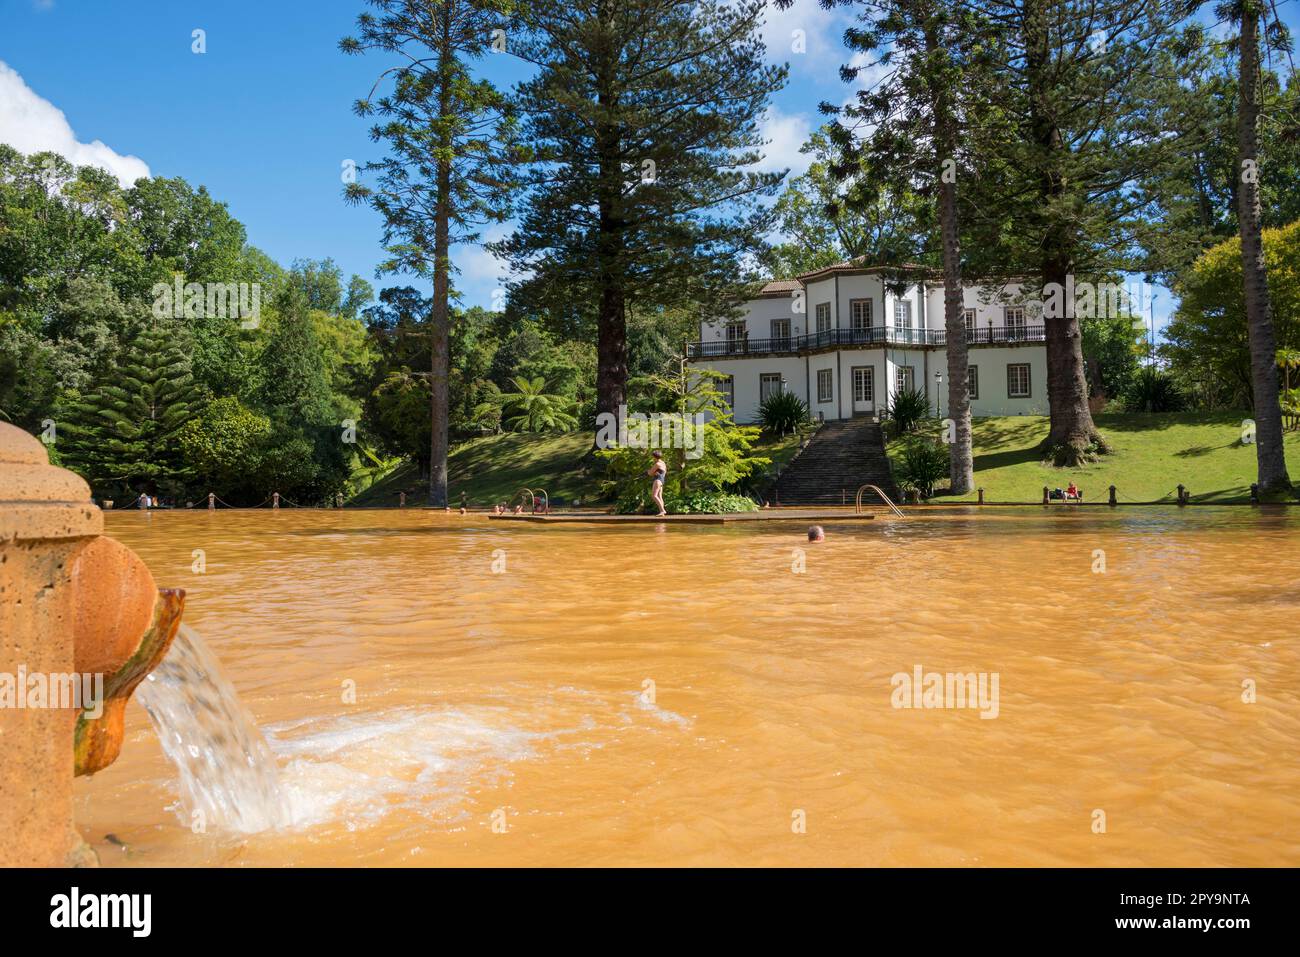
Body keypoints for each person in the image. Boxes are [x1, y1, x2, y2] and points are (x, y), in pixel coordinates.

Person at [646, 450, 668, 516]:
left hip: (657, 480)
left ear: (654, 457)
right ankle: (662, 512)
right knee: (659, 496)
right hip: (662, 480)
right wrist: (655, 473)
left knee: (654, 495)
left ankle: (662, 510)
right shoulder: (663, 463)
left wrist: (647, 471)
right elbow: (664, 472)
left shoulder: (657, 464)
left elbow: (650, 473)